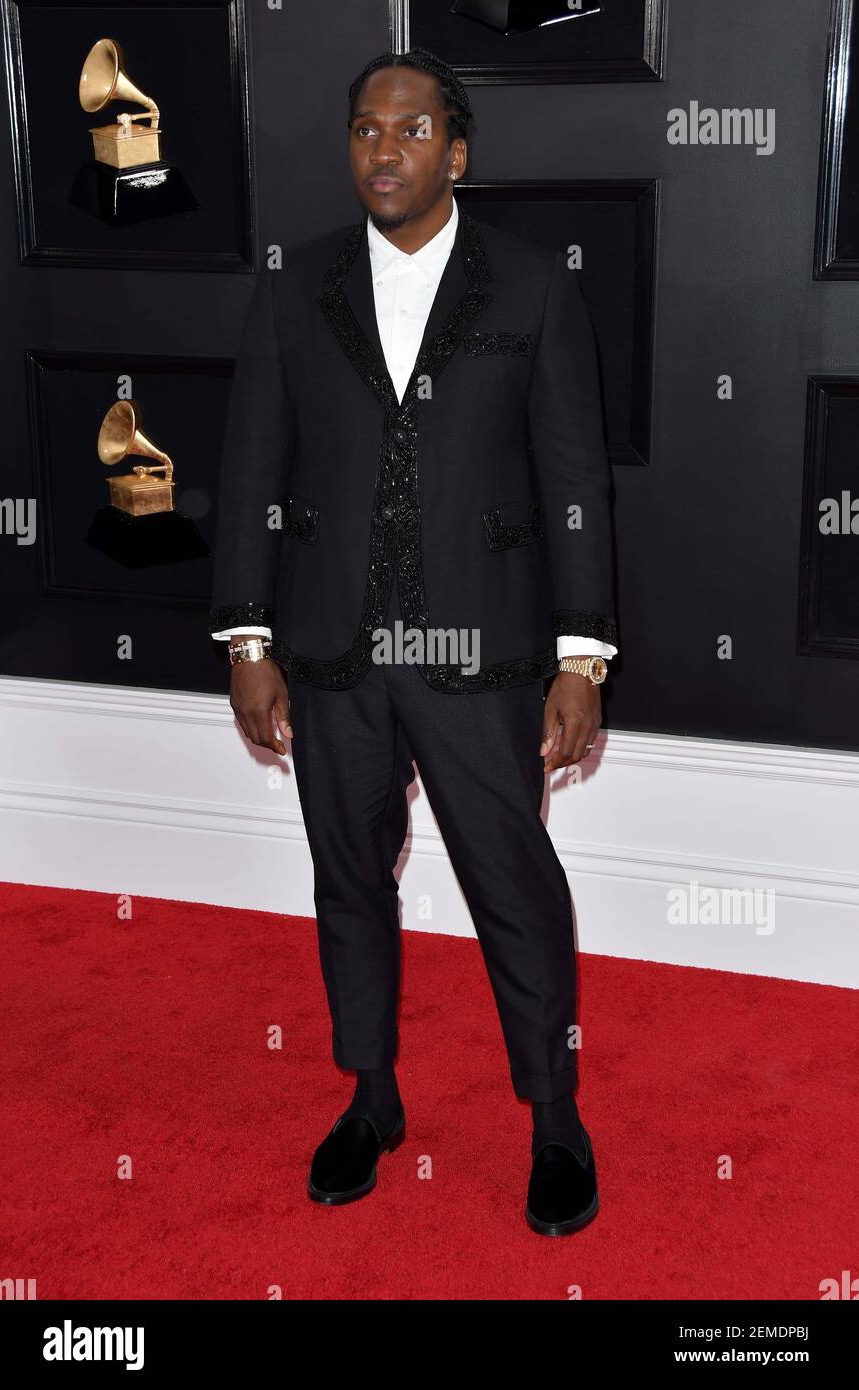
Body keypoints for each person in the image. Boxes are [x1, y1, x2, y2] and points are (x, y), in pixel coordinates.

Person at [209, 49, 617, 1236]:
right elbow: (248, 473)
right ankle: (371, 1096)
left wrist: (579, 658)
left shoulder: (533, 286)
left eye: (409, 128)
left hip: (483, 654)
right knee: (347, 882)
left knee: (514, 889)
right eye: (362, 130)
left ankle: (552, 1116)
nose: (381, 150)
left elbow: (573, 480)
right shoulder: (295, 289)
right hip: (330, 651)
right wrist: (246, 637)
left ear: (455, 148)